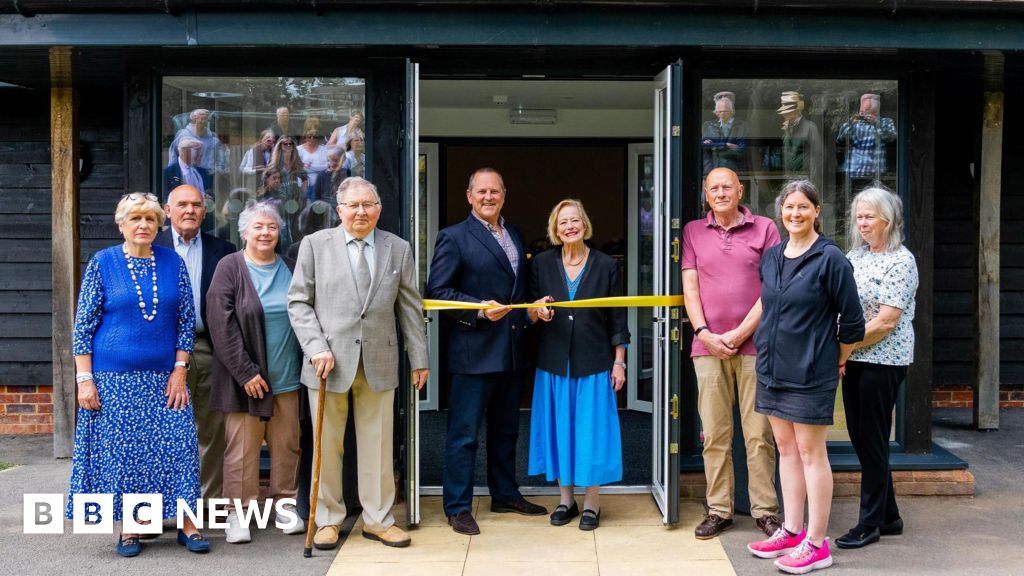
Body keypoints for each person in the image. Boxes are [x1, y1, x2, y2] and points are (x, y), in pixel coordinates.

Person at [288, 176, 429, 550]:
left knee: (378, 445)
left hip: (379, 360)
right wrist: (316, 347)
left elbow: (410, 307)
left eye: (368, 204)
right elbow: (298, 302)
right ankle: (328, 520)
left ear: (379, 209)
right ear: (340, 210)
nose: (361, 212)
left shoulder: (397, 248)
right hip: (327, 363)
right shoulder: (315, 246)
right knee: (327, 446)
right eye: (353, 205)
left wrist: (420, 358)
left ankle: (378, 520)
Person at [67, 192, 209, 557]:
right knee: (126, 455)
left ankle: (188, 524)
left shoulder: (173, 262)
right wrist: (85, 380)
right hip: (113, 380)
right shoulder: (103, 263)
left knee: (179, 448)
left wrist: (180, 370)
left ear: (160, 224)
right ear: (121, 225)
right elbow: (83, 327)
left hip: (166, 377)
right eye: (135, 219)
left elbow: (184, 323)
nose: (144, 225)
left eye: (150, 219)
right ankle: (131, 527)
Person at [747, 180, 865, 574]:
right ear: (781, 212)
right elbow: (767, 304)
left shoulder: (831, 259)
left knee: (812, 453)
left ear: (817, 211)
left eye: (803, 207)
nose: (794, 214)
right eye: (788, 207)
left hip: (811, 370)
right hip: (772, 369)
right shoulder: (773, 255)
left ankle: (817, 543)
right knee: (785, 448)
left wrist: (838, 358)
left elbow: (853, 322)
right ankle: (792, 530)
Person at [426, 167, 547, 536]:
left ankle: (505, 493)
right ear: (469, 196)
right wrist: (479, 308)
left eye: (495, 191)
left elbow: (518, 294)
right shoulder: (453, 237)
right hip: (473, 353)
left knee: (507, 430)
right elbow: (438, 293)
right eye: (482, 192)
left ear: (504, 195)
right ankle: (458, 506)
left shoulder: (514, 234)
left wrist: (531, 310)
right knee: (463, 435)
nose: (488, 197)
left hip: (511, 351)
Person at [682, 167, 782, 540]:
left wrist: (740, 334)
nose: (720, 193)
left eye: (727, 186)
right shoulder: (693, 231)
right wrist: (705, 334)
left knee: (758, 434)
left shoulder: (766, 228)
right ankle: (719, 510)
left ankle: (766, 511)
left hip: (756, 345)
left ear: (740, 190)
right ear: (706, 195)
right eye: (713, 188)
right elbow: (690, 289)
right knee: (715, 435)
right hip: (707, 349)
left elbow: (772, 288)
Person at [527, 199, 629, 531]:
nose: (570, 227)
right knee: (560, 431)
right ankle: (565, 500)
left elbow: (617, 316)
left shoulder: (604, 264)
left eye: (575, 221)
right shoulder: (542, 264)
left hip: (594, 361)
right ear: (555, 230)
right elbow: (528, 309)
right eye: (563, 223)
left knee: (591, 432)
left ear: (584, 225)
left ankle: (592, 505)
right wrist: (536, 310)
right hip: (554, 362)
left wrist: (620, 363)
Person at [207, 202, 304, 544]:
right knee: (242, 453)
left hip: (288, 379)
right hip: (245, 382)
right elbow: (221, 325)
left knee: (288, 447)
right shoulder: (230, 267)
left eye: (272, 228)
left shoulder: (291, 267)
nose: (265, 233)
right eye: (258, 227)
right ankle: (238, 514)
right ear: (244, 232)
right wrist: (246, 373)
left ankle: (285, 507)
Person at [834, 187, 917, 550]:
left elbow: (886, 321)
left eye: (869, 217)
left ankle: (868, 524)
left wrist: (842, 347)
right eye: (859, 217)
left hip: (883, 361)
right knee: (864, 438)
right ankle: (889, 516)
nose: (862, 223)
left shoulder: (901, 261)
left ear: (888, 220)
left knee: (871, 440)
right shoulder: (856, 255)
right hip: (854, 359)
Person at [155, 184, 236, 506]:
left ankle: (203, 506)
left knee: (210, 430)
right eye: (182, 204)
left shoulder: (225, 250)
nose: (189, 210)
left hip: (208, 347)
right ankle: (161, 505)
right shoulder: (151, 245)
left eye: (196, 205)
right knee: (162, 428)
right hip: (160, 351)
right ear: (167, 210)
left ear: (205, 211)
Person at [836, 94, 897, 188]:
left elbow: (892, 139)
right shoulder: (853, 124)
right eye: (862, 111)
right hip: (853, 173)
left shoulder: (886, 122)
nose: (864, 114)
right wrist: (851, 123)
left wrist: (876, 124)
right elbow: (840, 141)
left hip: (876, 174)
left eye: (868, 112)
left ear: (876, 112)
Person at [778, 92, 822, 190]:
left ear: (796, 109)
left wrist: (813, 181)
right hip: (789, 180)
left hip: (805, 180)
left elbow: (818, 155)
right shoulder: (787, 129)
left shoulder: (810, 127)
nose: (784, 113)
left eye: (787, 110)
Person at [702, 91, 749, 177]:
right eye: (719, 111)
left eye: (725, 111)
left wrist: (715, 147)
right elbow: (704, 146)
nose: (722, 114)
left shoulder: (742, 126)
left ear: (732, 111)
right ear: (715, 112)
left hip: (735, 171)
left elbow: (742, 150)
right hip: (712, 171)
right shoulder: (708, 126)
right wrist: (726, 145)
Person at [168, 108, 227, 174]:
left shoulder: (213, 139)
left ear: (208, 120)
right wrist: (173, 173)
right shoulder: (183, 135)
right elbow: (173, 155)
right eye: (197, 118)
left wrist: (217, 170)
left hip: (209, 175)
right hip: (187, 174)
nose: (200, 121)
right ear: (193, 119)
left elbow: (221, 159)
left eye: (204, 118)